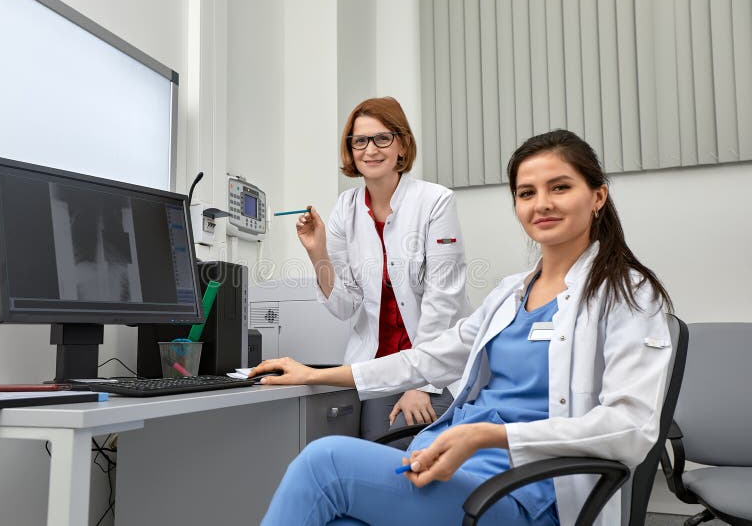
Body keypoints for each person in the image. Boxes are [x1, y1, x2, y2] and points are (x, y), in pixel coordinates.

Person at [251, 129, 674, 526]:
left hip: (525, 492)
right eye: (526, 193)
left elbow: (632, 429)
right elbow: (429, 357)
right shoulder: (510, 294)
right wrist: (314, 374)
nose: (541, 203)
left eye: (559, 187)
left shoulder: (627, 294)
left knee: (324, 463)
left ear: (597, 196)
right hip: (452, 472)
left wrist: (489, 437)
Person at [295, 96, 470, 442]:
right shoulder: (346, 209)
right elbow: (345, 305)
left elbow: (443, 301)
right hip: (376, 370)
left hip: (435, 372)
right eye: (360, 141)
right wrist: (318, 253)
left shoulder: (435, 201)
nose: (370, 150)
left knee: (416, 467)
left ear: (402, 144)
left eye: (382, 138)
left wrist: (421, 382)